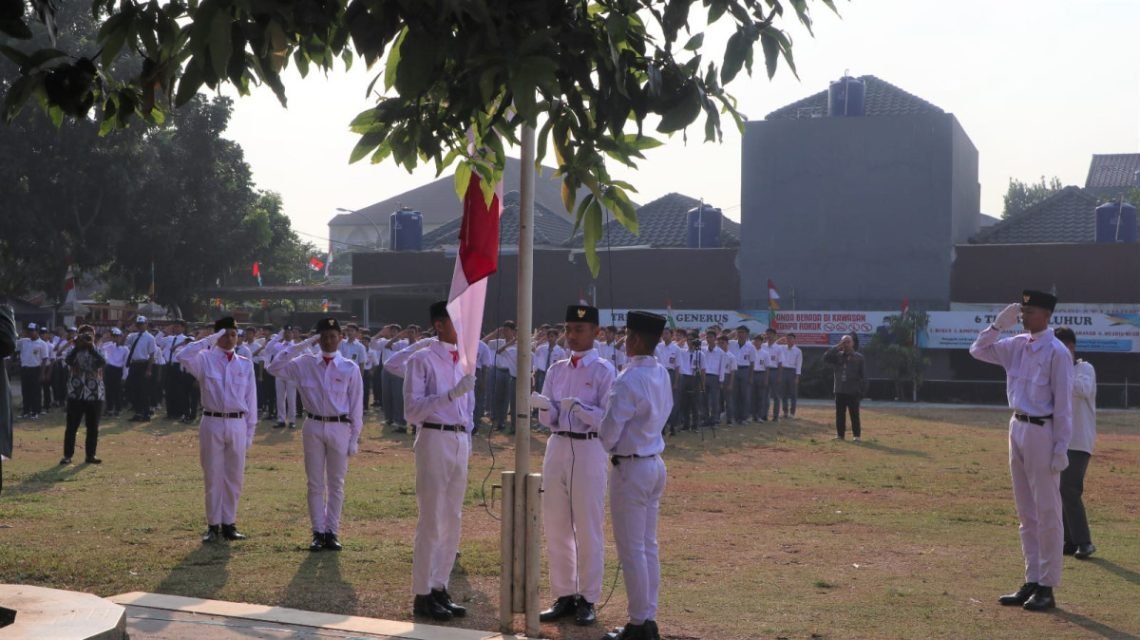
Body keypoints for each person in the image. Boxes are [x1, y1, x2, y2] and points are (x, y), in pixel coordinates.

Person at [970, 290, 1072, 612]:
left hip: (1043, 431)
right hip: (1017, 426)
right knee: (1026, 513)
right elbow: (977, 350)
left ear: (1046, 315)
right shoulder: (1016, 345)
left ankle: (1047, 585)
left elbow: (1064, 406)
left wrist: (1061, 448)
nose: (1023, 316)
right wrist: (998, 325)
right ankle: (1031, 578)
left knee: (1047, 513)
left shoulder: (1057, 352)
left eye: (1030, 311)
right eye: (1022, 311)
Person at [532, 305, 615, 627]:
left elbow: (607, 420)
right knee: (556, 523)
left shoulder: (604, 371)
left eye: (579, 329)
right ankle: (564, 593)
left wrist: (581, 409)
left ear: (596, 332)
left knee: (588, 525)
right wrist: (541, 407)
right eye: (569, 329)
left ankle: (588, 597)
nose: (572, 335)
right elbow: (551, 416)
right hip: (558, 445)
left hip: (589, 446)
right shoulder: (557, 369)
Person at [599, 310, 671, 640]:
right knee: (647, 546)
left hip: (630, 466)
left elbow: (608, 434)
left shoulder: (628, 379)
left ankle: (639, 623)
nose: (624, 341)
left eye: (627, 335)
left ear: (637, 339)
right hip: (653, 462)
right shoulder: (660, 372)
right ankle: (647, 616)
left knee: (632, 550)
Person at [401, 301, 475, 622]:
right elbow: (412, 410)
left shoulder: (464, 359)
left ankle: (439, 585)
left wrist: (467, 430)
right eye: (457, 321)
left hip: (459, 438)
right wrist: (450, 395)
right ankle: (422, 593)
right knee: (431, 518)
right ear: (440, 324)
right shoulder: (421, 359)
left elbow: (467, 407)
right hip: (433, 436)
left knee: (453, 517)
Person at [268, 318, 364, 551]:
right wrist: (303, 344)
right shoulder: (304, 363)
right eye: (323, 336)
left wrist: (354, 438)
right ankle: (317, 531)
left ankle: (332, 531)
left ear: (341, 337)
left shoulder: (350, 367)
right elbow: (274, 367)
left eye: (333, 336)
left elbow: (356, 406)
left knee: (336, 483)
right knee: (314, 483)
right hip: (313, 425)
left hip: (339, 426)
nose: (329, 341)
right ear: (317, 338)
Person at [177, 317, 258, 543]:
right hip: (212, 421)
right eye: (224, 334)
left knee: (234, 476)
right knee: (213, 474)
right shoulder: (204, 359)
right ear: (216, 336)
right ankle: (213, 525)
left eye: (233, 334)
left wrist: (250, 432)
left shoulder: (244, 363)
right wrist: (209, 340)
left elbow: (251, 400)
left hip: (237, 423)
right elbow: (181, 356)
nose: (230, 338)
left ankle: (229, 523)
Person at [1054, 327, 1097, 560]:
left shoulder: (1084, 368)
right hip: (1058, 440)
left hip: (1079, 440)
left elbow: (1082, 390)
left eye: (1061, 348)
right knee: (1059, 490)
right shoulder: (1055, 371)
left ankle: (1084, 542)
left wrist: (1063, 370)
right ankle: (1069, 541)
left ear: (1071, 347)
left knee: (1070, 489)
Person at [61, 326, 106, 465]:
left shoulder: (99, 349)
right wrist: (77, 347)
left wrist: (91, 347)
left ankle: (90, 455)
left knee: (93, 427)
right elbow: (67, 360)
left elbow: (102, 362)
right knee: (71, 426)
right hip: (76, 392)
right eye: (82, 334)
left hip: (94, 394)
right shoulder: (73, 350)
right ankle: (67, 455)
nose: (86, 337)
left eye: (89, 334)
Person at [823, 334, 866, 441]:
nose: (846, 344)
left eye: (848, 342)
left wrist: (862, 391)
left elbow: (863, 376)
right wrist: (837, 347)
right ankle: (840, 435)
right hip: (840, 389)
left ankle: (856, 436)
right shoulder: (837, 356)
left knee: (854, 414)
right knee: (840, 415)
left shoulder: (859, 357)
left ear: (853, 343)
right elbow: (826, 357)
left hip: (853, 391)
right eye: (844, 342)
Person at [124, 315, 157, 422]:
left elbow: (152, 355)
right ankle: (138, 412)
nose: (140, 326)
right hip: (134, 364)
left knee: (143, 390)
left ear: (146, 324)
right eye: (138, 324)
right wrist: (128, 330)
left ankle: (146, 413)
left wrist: (149, 369)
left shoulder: (150, 338)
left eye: (142, 324)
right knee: (131, 388)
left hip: (143, 364)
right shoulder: (133, 336)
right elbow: (123, 342)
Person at [16, 322, 49, 419]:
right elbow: (15, 345)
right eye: (29, 331)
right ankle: (26, 411)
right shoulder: (24, 341)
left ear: (37, 331)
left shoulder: (42, 344)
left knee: (35, 391)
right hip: (25, 368)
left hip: (35, 369)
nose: (30, 333)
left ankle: (35, 411)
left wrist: (42, 373)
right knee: (25, 390)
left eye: (32, 331)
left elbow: (44, 359)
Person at [100, 328, 128, 417]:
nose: (116, 339)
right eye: (114, 337)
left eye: (118, 337)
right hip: (109, 369)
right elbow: (99, 348)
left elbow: (126, 364)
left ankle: (118, 409)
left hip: (118, 370)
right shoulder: (108, 346)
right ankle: (109, 409)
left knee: (117, 391)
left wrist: (124, 376)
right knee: (108, 390)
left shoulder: (125, 349)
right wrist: (106, 338)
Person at [532, 328, 566, 395]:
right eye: (549, 336)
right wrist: (535, 370)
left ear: (556, 337)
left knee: (551, 393)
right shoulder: (541, 348)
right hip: (541, 373)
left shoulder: (560, 351)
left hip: (554, 374)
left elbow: (563, 365)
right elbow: (535, 359)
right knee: (540, 391)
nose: (550, 338)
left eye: (552, 336)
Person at [778, 333, 803, 418]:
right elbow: (773, 346)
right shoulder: (782, 348)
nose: (789, 340)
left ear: (794, 340)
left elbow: (799, 364)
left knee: (793, 394)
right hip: (783, 370)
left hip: (793, 371)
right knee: (783, 393)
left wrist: (797, 377)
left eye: (791, 338)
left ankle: (792, 413)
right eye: (787, 338)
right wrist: (780, 340)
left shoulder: (798, 351)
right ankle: (785, 412)